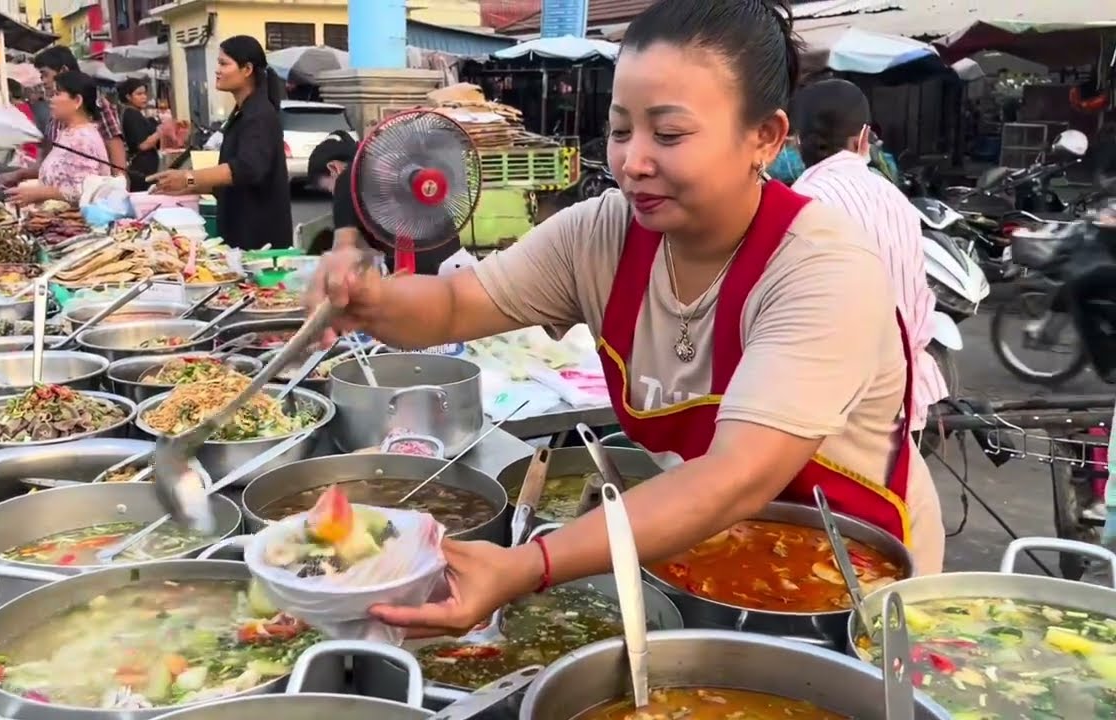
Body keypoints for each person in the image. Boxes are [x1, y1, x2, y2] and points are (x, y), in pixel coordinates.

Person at [306, 0, 945, 635]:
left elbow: (733, 477)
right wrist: (369, 297)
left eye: (668, 134)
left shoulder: (821, 267)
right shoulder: (604, 234)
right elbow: (453, 304)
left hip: (851, 579)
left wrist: (528, 564)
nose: (633, 160)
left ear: (765, 138)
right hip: (695, 550)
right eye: (620, 130)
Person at [789, 79, 947, 435]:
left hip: (831, 401)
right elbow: (918, 299)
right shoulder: (893, 198)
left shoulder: (799, 203)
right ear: (863, 138)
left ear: (797, 141)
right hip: (901, 393)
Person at [149, 36, 292, 250]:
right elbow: (227, 180)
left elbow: (246, 169)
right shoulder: (242, 112)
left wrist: (189, 177)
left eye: (224, 64)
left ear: (247, 69)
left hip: (259, 242)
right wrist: (183, 185)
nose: (217, 70)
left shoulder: (259, 114)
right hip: (238, 234)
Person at [305, 130, 461, 274]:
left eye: (328, 189)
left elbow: (342, 253)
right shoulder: (404, 168)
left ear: (334, 168)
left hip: (412, 279)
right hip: (454, 267)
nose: (333, 195)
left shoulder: (349, 177)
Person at [0, 46, 126, 188]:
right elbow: (49, 160)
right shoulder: (57, 112)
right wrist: (19, 175)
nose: (42, 81)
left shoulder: (96, 105)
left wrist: (119, 189)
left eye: (45, 74)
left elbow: (115, 152)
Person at [4, 71, 109, 206]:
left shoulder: (82, 138)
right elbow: (61, 178)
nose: (50, 100)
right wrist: (21, 176)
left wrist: (37, 193)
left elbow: (83, 190)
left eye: (57, 94)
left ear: (77, 101)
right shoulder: (68, 133)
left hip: (74, 222)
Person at [116, 78, 163, 191]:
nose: (144, 97)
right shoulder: (131, 115)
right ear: (128, 97)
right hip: (141, 169)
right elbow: (143, 145)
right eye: (139, 94)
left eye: (145, 93)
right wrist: (161, 131)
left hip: (146, 168)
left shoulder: (136, 114)